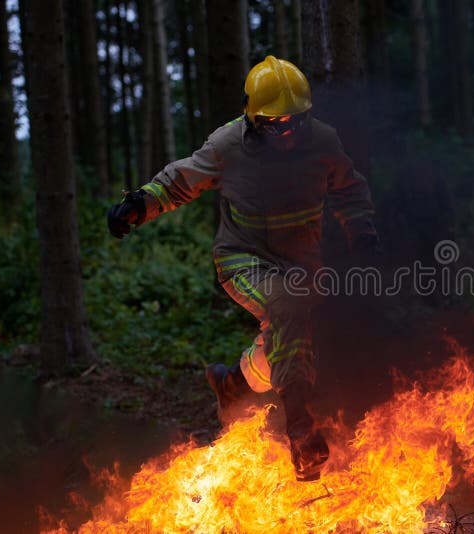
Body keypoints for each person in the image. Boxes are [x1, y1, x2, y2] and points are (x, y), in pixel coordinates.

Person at [106, 56, 379, 482]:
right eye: (276, 122)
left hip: (301, 266)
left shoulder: (324, 142)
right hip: (242, 259)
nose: (288, 131)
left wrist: (361, 233)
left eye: (297, 121)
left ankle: (233, 383)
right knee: (289, 310)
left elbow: (349, 190)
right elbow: (181, 179)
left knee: (294, 333)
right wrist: (139, 204)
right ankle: (302, 432)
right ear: (253, 118)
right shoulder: (228, 144)